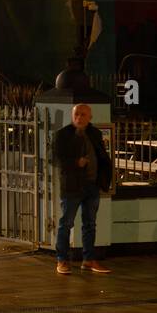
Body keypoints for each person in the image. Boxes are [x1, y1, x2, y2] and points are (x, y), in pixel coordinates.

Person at [51, 103, 112, 275]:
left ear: (90, 117)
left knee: (90, 224)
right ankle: (62, 259)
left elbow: (101, 156)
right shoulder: (63, 135)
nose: (79, 118)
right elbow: (55, 159)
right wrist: (75, 163)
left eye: (83, 115)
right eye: (76, 114)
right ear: (72, 116)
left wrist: (103, 178)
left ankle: (89, 259)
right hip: (72, 186)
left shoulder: (94, 133)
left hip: (92, 185)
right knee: (66, 223)